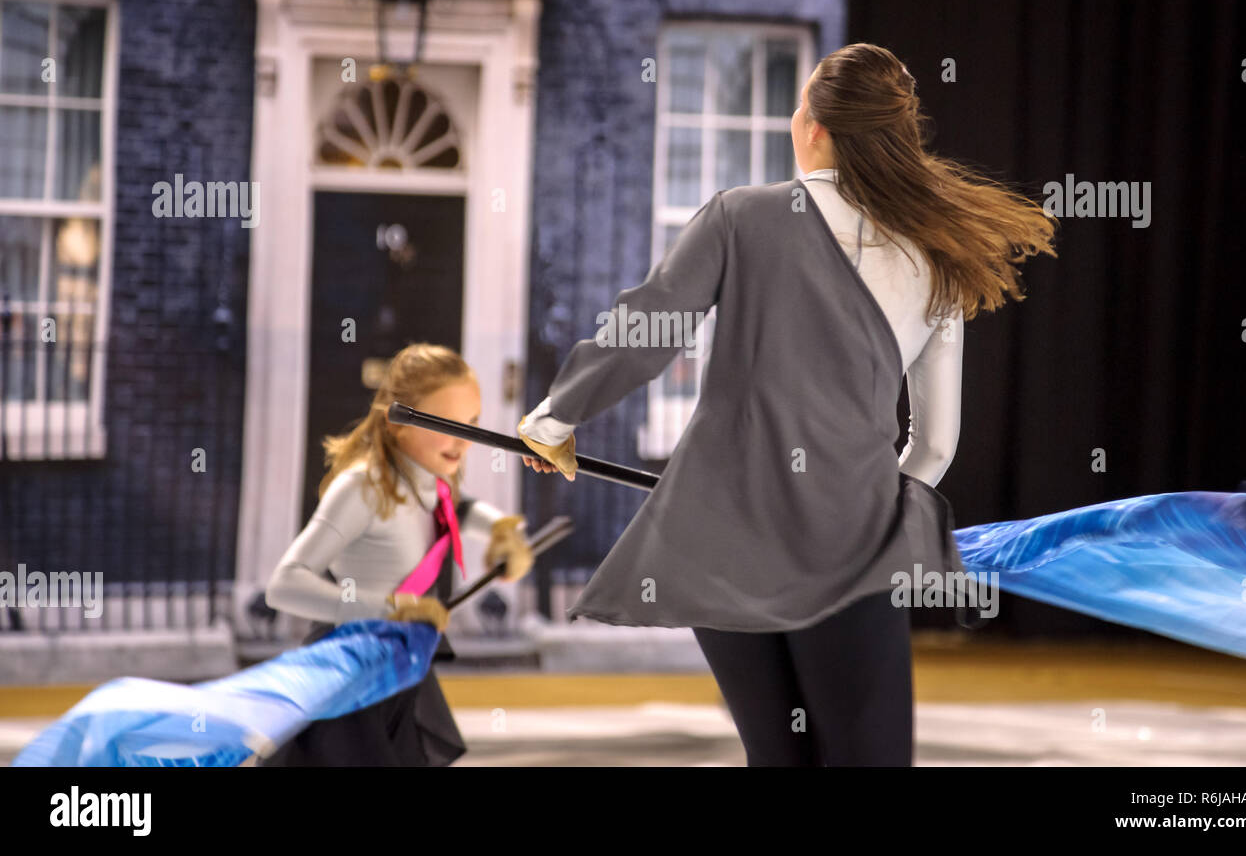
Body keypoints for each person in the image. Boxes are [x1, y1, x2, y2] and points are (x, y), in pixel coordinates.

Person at [517, 42, 1058, 766]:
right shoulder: (936, 254)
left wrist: (553, 420)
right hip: (854, 547)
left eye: (800, 104)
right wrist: (861, 507)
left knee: (778, 755)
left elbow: (643, 337)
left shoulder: (738, 217)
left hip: (727, 543)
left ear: (815, 129)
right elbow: (932, 446)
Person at [263, 343, 534, 766]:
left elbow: (456, 509)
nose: (461, 441)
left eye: (471, 424)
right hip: (348, 676)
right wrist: (388, 608)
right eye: (446, 423)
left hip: (399, 672)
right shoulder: (362, 488)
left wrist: (502, 529)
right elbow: (284, 585)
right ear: (398, 421)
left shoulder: (429, 484)